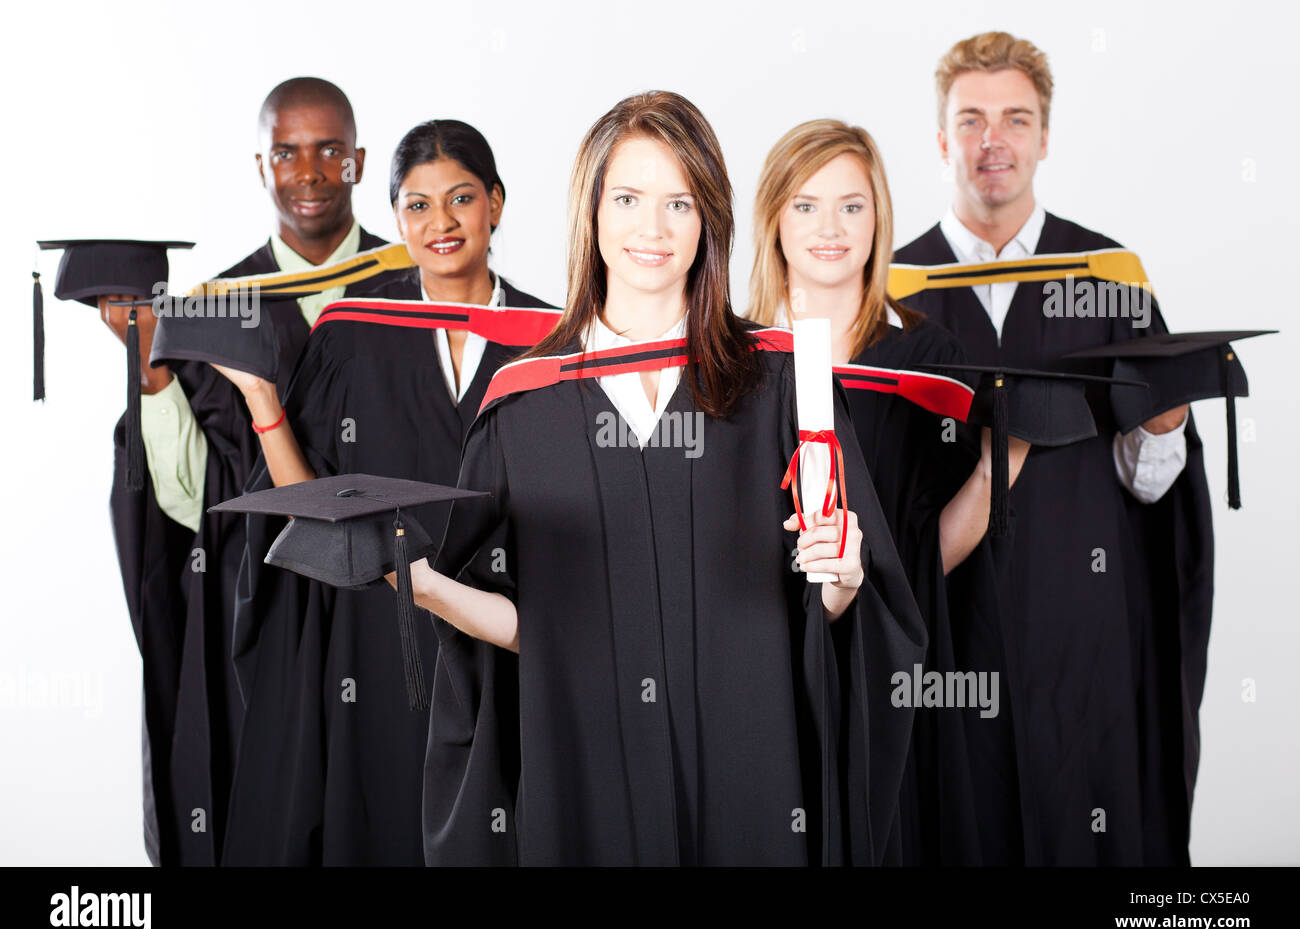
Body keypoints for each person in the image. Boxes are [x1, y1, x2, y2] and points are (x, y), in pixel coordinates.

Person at [409, 91, 928, 866]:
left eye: (678, 202)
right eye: (627, 198)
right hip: (588, 775)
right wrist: (418, 583)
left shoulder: (780, 379)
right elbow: (526, 631)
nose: (651, 230)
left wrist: (845, 578)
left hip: (752, 783)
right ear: (591, 210)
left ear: (708, 219)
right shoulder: (525, 402)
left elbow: (838, 613)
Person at [893, 31, 1215, 864]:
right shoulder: (892, 289)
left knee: (1088, 819)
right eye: (970, 120)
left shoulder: (1109, 273)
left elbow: (1152, 489)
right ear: (940, 139)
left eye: (1014, 119)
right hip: (948, 628)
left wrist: (1163, 424)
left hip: (1085, 625)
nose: (991, 140)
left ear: (1044, 136)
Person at [219, 120, 556, 865]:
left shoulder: (553, 338)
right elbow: (309, 503)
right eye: (416, 205)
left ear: (495, 204)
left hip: (514, 641)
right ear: (396, 217)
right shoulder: (356, 332)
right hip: (384, 644)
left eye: (461, 198)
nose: (441, 224)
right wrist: (262, 402)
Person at [103, 76, 389, 865]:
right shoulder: (215, 309)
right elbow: (193, 499)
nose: (309, 172)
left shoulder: (413, 290)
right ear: (260, 166)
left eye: (330, 150)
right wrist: (154, 375)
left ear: (358, 161)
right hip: (263, 611)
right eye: (287, 152)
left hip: (394, 603)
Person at [749, 118, 1030, 864]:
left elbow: (934, 549)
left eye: (852, 205)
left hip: (886, 662)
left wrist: (1002, 461)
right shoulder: (735, 359)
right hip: (759, 660)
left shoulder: (927, 358)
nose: (830, 228)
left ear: (880, 220)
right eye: (805, 205)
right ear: (774, 217)